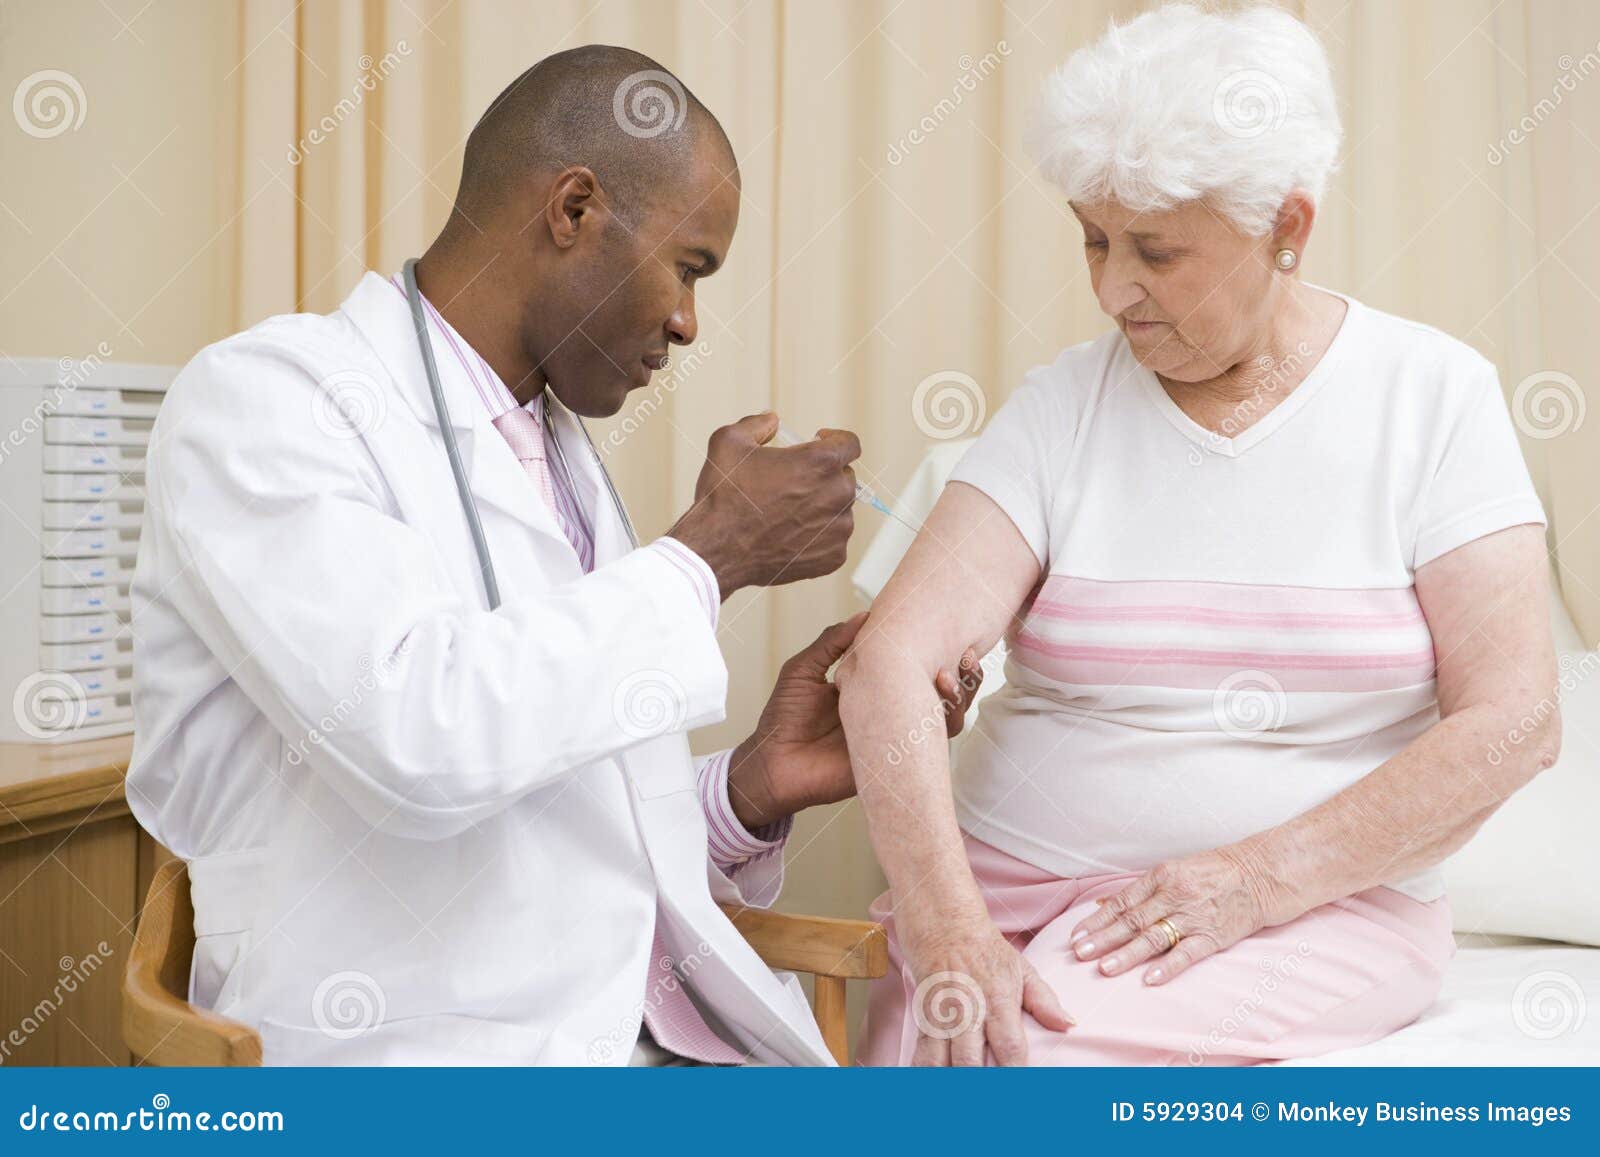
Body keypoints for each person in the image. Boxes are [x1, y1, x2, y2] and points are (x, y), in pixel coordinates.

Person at [126, 45, 979, 1066]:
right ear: (573, 209)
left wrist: (753, 787)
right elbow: (416, 738)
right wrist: (707, 557)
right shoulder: (267, 401)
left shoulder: (554, 451)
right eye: (688, 267)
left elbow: (565, 837)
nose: (687, 323)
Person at [835, 3, 1560, 1066]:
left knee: (1028, 1071)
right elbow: (886, 664)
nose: (1110, 288)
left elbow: (1515, 720)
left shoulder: (1433, 398)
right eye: (1093, 239)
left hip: (1310, 910)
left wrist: (1257, 879)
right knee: (943, 1053)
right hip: (998, 903)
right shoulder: (1061, 407)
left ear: (1286, 227)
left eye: (1157, 252)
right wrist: (948, 929)